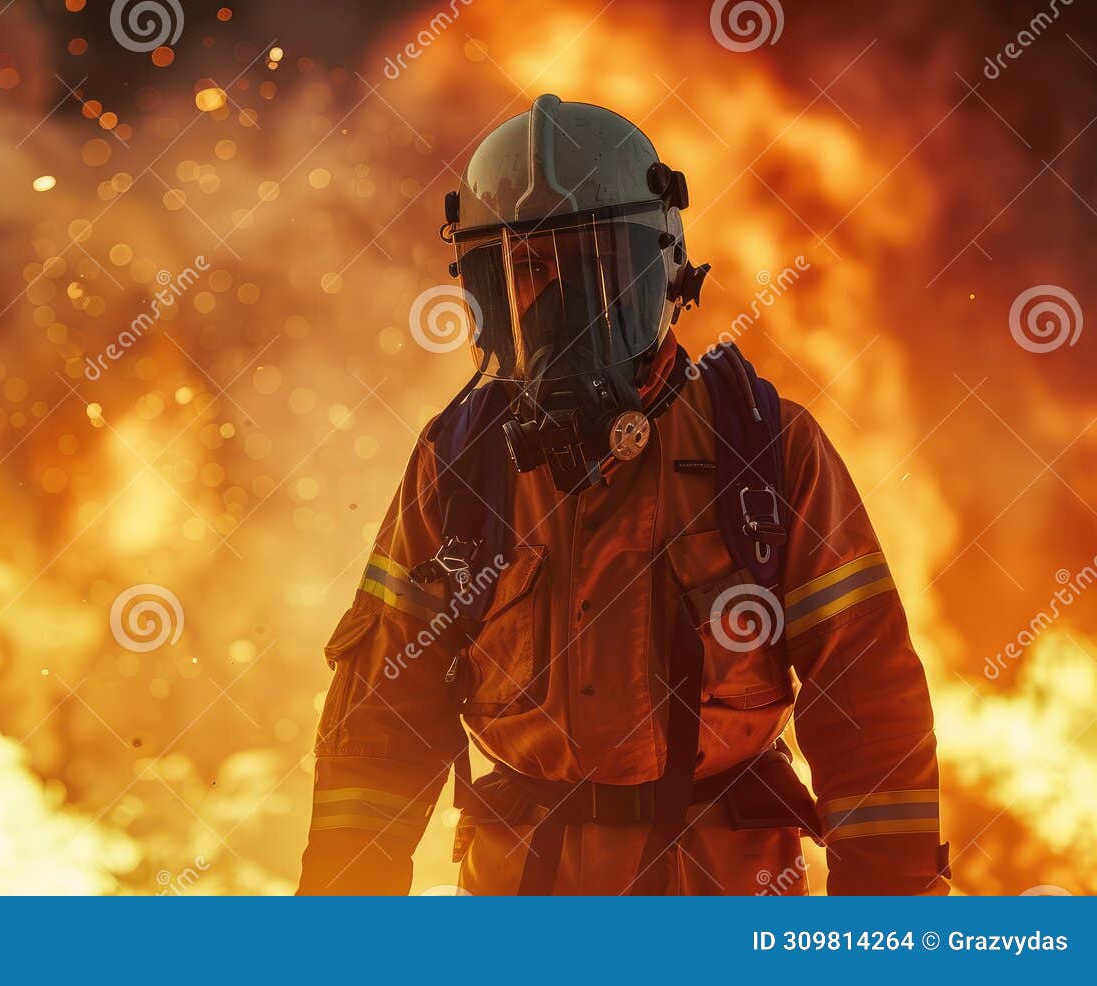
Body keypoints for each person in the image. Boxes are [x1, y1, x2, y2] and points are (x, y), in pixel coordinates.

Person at [296, 96, 948, 895]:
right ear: (485, 291)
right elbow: (383, 715)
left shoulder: (767, 449)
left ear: (660, 272)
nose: (557, 306)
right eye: (527, 269)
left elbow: (868, 701)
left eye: (593, 266)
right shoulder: (459, 465)